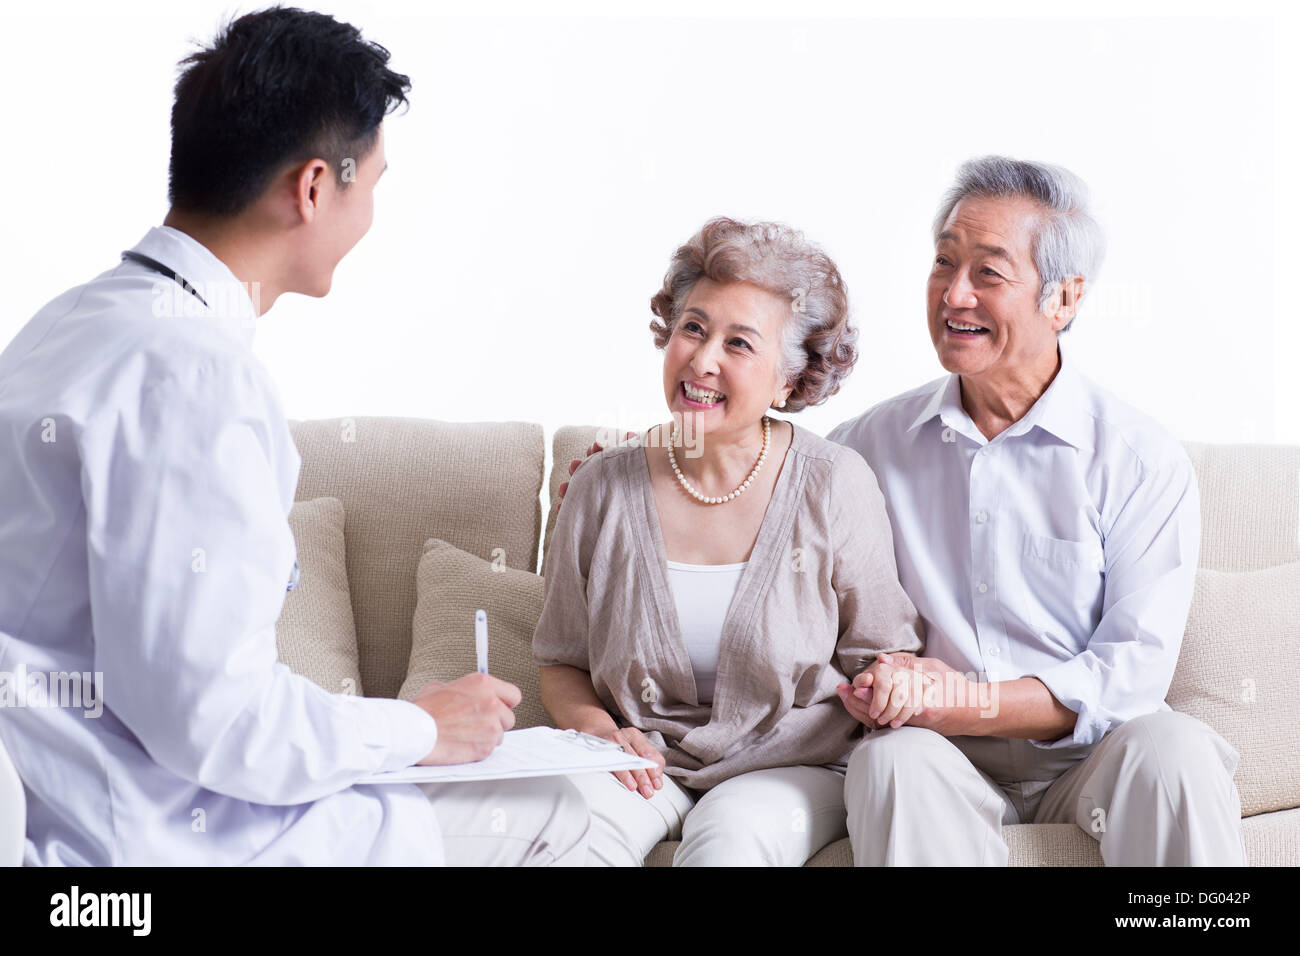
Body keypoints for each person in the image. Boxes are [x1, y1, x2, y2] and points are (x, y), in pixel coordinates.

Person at [0, 6, 587, 866]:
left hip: (58, 798)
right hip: (138, 837)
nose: (375, 211)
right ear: (315, 188)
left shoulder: (65, 327)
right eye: (374, 183)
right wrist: (418, 725)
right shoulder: (198, 377)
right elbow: (217, 719)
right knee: (552, 806)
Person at [828, 155, 1245, 866]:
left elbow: (1131, 674)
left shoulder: (1139, 458)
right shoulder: (864, 447)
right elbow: (779, 550)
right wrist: (645, 476)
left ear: (1063, 299)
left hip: (1094, 754)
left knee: (1176, 750)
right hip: (940, 754)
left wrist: (965, 700)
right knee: (888, 762)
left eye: (988, 272)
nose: (955, 294)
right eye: (943, 263)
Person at [537, 217, 925, 867]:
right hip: (644, 765)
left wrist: (890, 682)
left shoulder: (832, 483)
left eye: (739, 343)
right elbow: (562, 661)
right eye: (693, 327)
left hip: (793, 765)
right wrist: (601, 732)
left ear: (790, 379)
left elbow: (885, 655)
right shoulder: (603, 485)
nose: (702, 358)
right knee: (559, 839)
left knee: (729, 844)